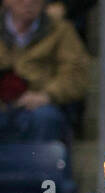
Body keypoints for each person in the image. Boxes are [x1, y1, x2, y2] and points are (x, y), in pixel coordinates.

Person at [0, 0, 90, 141]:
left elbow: (76, 74)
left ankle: (40, 162)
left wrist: (47, 95)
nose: (28, 2)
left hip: (39, 105)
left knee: (45, 118)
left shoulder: (61, 31)